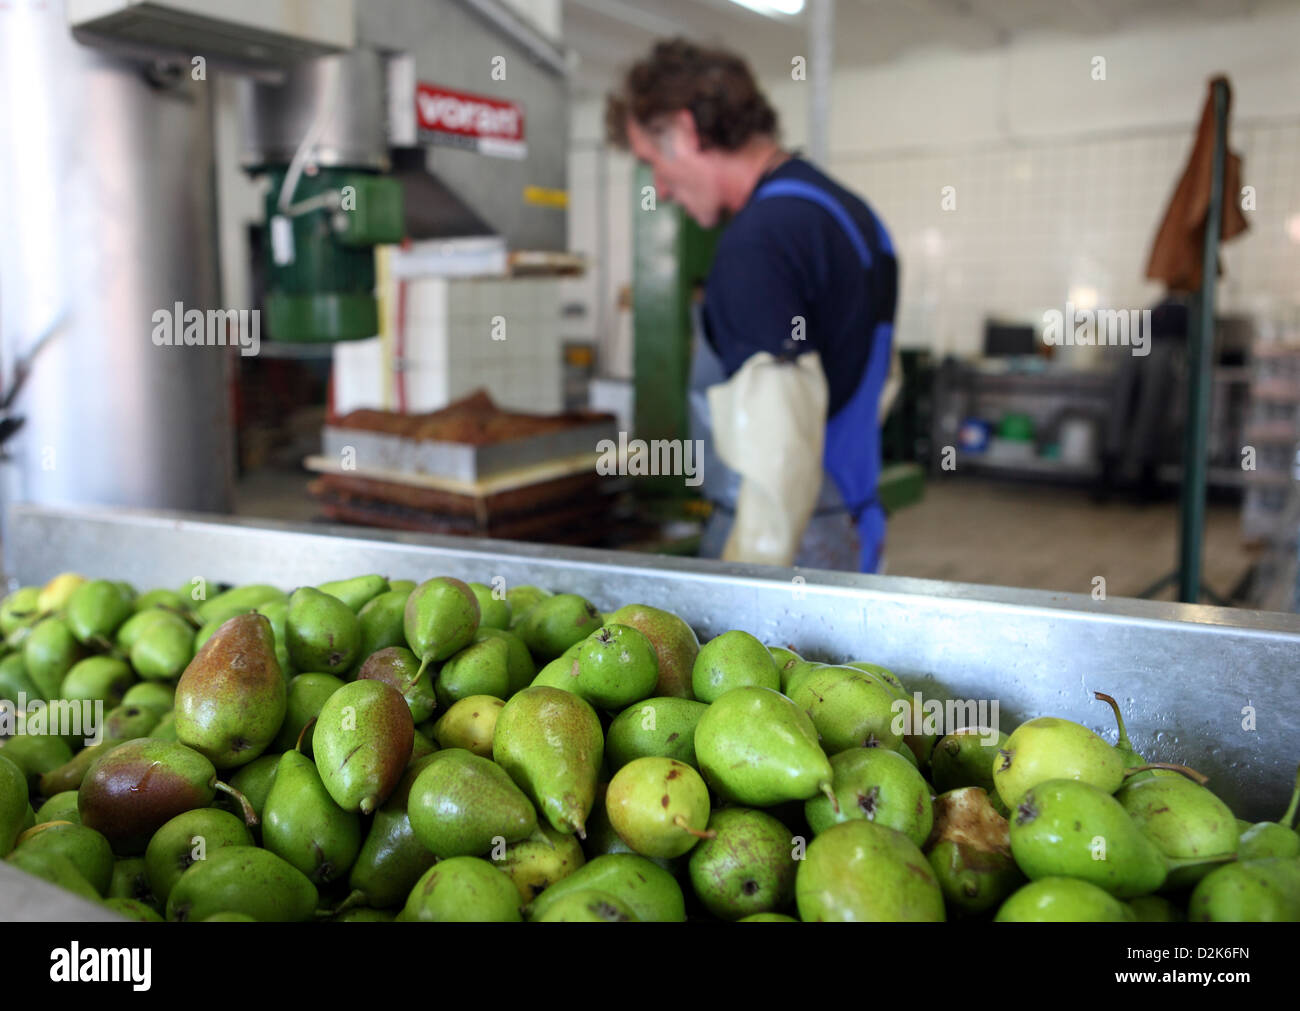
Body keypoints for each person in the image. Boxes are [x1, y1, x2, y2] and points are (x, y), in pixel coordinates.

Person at [605, 39, 899, 573]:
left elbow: (775, 453)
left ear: (685, 130)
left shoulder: (757, 243)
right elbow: (883, 379)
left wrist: (749, 579)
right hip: (851, 520)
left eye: (654, 163)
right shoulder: (852, 215)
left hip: (787, 543)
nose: (663, 191)